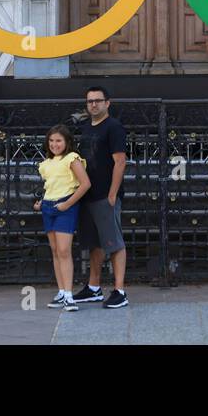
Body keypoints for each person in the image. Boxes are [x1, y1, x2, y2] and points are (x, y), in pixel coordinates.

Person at [70, 86, 129, 308]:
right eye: (90, 101)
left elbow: (120, 161)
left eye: (98, 100)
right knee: (95, 243)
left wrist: (113, 193)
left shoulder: (113, 128)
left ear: (108, 103)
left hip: (106, 195)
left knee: (114, 242)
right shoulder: (86, 127)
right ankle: (94, 288)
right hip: (88, 195)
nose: (93, 104)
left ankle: (120, 291)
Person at [34, 124, 90, 311]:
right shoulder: (46, 164)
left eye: (58, 140)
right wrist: (41, 202)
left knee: (64, 250)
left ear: (67, 142)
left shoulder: (72, 159)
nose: (54, 144)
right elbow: (51, 186)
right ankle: (61, 292)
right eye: (51, 140)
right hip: (48, 206)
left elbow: (85, 184)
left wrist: (67, 204)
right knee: (56, 250)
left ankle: (69, 295)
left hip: (66, 206)